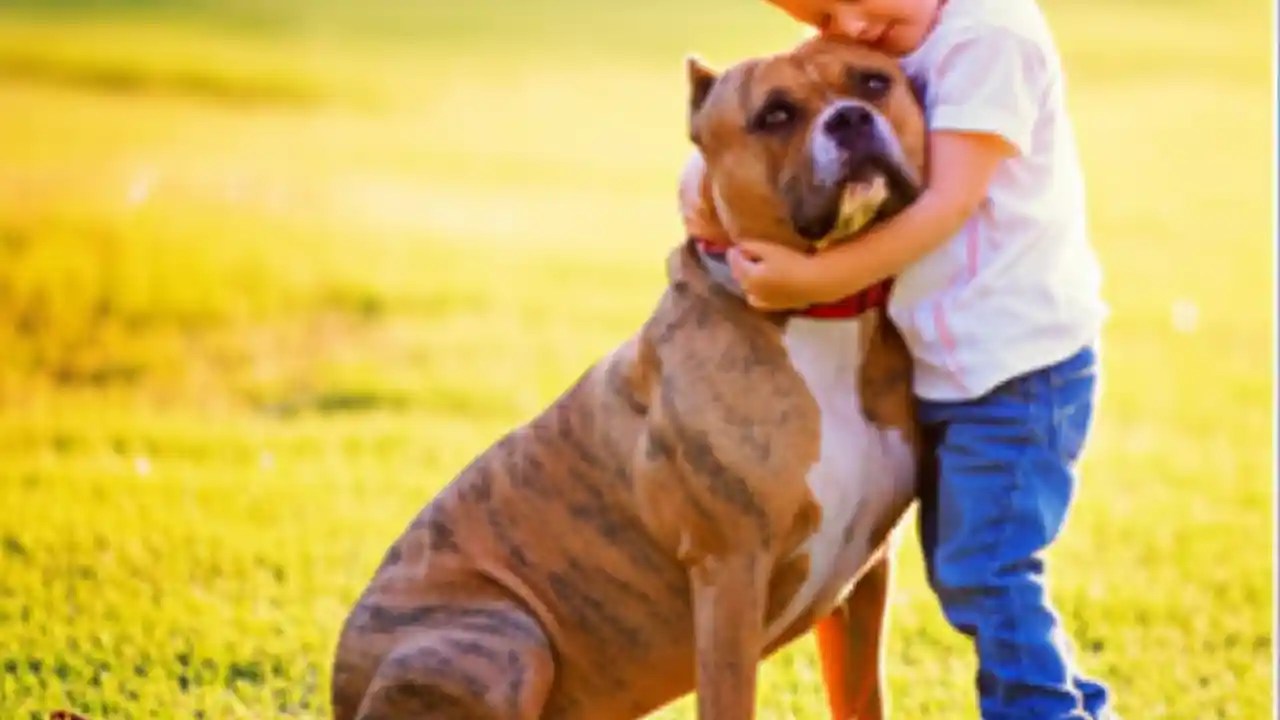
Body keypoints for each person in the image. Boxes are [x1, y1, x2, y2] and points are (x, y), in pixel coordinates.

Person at [679, 1, 1114, 717]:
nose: (842, 24)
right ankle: (1080, 708)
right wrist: (697, 188)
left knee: (985, 572)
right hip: (952, 366)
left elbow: (946, 204)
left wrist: (815, 280)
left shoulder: (989, 37)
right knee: (974, 569)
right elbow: (753, 106)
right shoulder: (885, 26)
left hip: (1018, 368)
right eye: (816, 10)